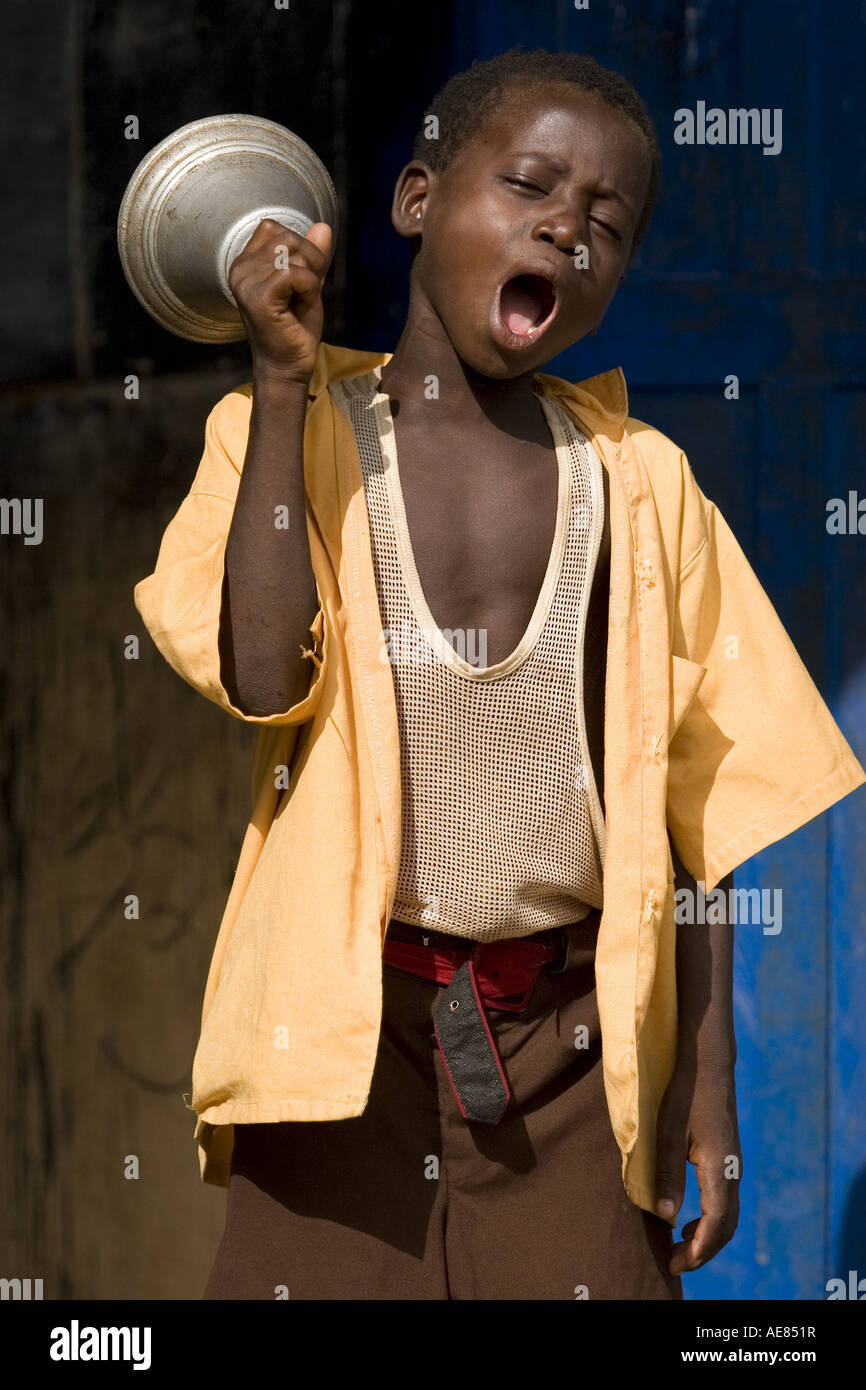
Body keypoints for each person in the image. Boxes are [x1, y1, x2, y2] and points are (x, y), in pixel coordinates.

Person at [134, 49, 866, 1300]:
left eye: (607, 224)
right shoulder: (291, 439)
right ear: (418, 199)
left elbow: (703, 825)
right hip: (342, 1044)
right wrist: (274, 381)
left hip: (569, 1062)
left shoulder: (640, 486)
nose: (564, 229)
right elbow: (262, 677)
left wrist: (710, 1084)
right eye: (528, 183)